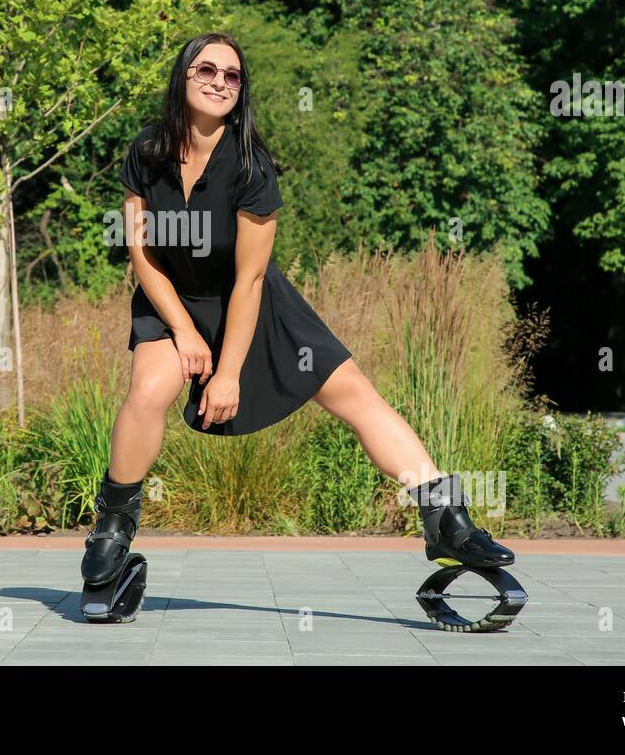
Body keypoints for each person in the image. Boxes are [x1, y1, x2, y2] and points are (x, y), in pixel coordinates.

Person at [82, 32, 513, 592]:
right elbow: (141, 253)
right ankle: (113, 526)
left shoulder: (252, 166)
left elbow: (250, 277)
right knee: (146, 392)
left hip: (251, 302)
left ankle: (445, 519)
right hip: (170, 301)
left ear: (241, 89)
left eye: (232, 75)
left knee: (356, 394)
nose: (219, 82)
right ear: (182, 77)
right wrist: (184, 332)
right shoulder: (145, 152)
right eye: (206, 70)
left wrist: (229, 371)